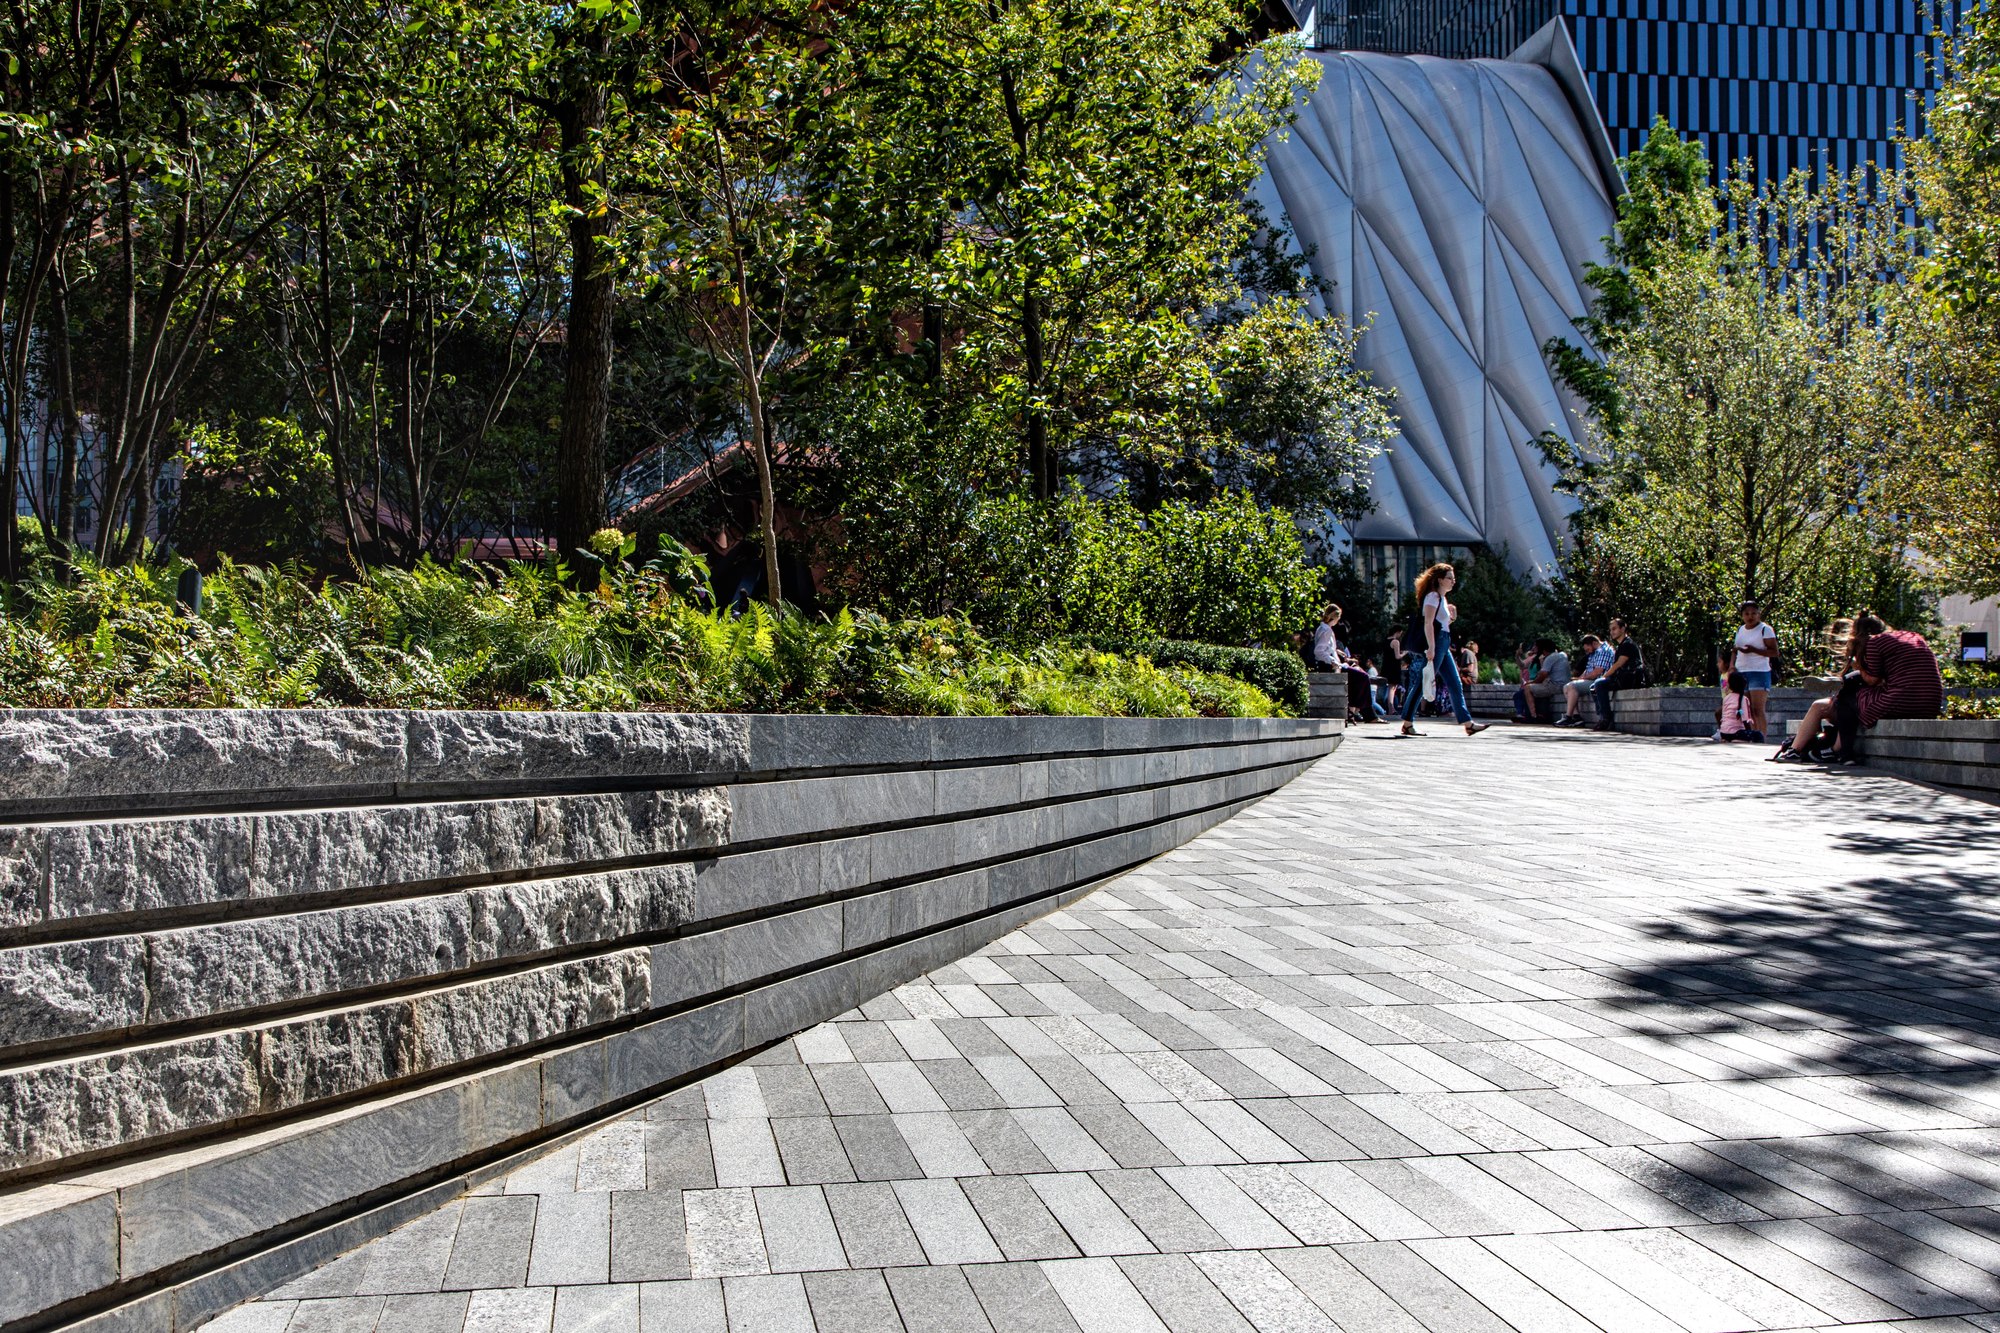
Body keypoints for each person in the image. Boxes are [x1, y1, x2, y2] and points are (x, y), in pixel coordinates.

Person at [1774, 614, 1944, 763]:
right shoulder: (1912, 637)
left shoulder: (1875, 643)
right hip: (1931, 703)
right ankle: (1833, 745)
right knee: (1849, 693)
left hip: (1899, 701)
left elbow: (1872, 679)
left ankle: (1804, 750)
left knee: (1843, 698)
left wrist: (1858, 667)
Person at [1399, 563, 1490, 737]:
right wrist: (1431, 648)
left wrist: (1451, 619)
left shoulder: (1442, 598)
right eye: (1450, 578)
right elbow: (1428, 624)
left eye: (1453, 578)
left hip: (1443, 641)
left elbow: (1441, 625)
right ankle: (1407, 723)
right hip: (1437, 643)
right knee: (1422, 682)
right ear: (1439, 579)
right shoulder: (1433, 597)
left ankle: (1468, 723)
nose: (1453, 581)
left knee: (1455, 683)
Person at [1581, 618, 1644, 731]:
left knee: (1599, 684)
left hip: (1630, 678)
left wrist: (1605, 676)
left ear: (1623, 629)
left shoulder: (1628, 644)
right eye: (1610, 630)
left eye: (1614, 629)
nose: (1612, 632)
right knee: (1594, 686)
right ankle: (1602, 717)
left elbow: (1619, 664)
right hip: (1623, 677)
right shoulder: (1622, 645)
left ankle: (1606, 719)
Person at [1730, 601, 1779, 740]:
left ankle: (1762, 736)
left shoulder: (1765, 629)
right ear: (1742, 615)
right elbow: (1735, 649)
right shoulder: (1741, 629)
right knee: (1747, 708)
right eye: (1746, 614)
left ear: (1759, 614)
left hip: (1759, 671)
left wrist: (1754, 650)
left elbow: (1774, 652)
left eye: (1753, 613)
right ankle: (1753, 735)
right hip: (1742, 671)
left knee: (1758, 709)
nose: (1750, 616)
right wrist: (1732, 666)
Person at [1555, 634, 1614, 727]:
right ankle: (1576, 717)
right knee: (1566, 686)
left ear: (1594, 643)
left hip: (1599, 681)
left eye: (1588, 649)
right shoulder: (1594, 652)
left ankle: (1568, 717)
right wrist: (1579, 678)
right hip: (1592, 680)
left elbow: (1597, 672)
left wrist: (1582, 679)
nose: (1587, 652)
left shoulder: (1603, 651)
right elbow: (1589, 669)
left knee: (1571, 686)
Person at [1513, 637, 1571, 722]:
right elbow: (1523, 666)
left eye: (1536, 646)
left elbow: (1542, 676)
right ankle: (1528, 714)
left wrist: (1530, 683)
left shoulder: (1549, 658)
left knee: (1527, 688)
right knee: (1522, 692)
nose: (1533, 648)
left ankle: (1533, 716)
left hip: (1555, 685)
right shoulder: (1561, 655)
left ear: (1542, 648)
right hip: (1562, 684)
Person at [1713, 670, 1764, 743]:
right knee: (1758, 735)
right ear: (1744, 685)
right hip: (1736, 733)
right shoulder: (1744, 699)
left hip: (1724, 733)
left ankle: (1730, 739)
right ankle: (1738, 740)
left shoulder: (1726, 698)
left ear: (1729, 685)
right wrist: (1749, 732)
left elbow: (1724, 716)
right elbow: (1745, 720)